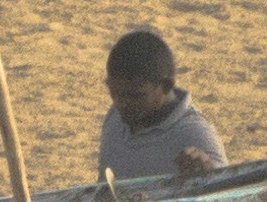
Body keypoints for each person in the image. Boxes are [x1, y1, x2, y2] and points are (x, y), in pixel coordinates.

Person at [93, 26, 230, 189]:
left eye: (135, 96)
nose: (121, 103)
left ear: (166, 86)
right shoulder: (115, 118)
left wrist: (209, 175)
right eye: (114, 93)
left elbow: (227, 199)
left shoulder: (194, 135)